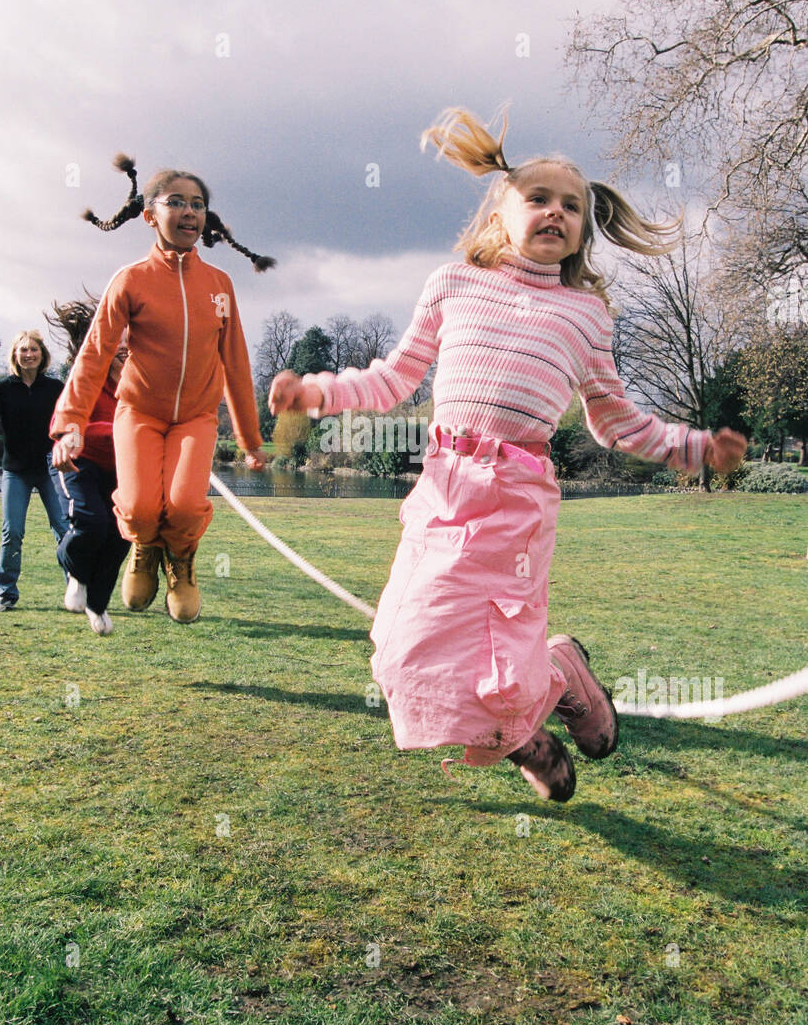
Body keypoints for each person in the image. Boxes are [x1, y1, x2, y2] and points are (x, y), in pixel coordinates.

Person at [269, 107, 747, 802]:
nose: (555, 212)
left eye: (571, 207)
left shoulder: (585, 314)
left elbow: (616, 422)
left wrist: (694, 448)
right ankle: (547, 697)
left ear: (582, 230)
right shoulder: (452, 284)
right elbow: (394, 378)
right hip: (442, 493)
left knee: (500, 663)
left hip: (515, 504)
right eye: (538, 198)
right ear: (500, 212)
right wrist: (316, 392)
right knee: (402, 655)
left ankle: (538, 716)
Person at [50, 155, 269, 623]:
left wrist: (250, 440)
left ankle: (182, 565)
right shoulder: (130, 280)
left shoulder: (221, 286)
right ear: (150, 215)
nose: (190, 212)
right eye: (178, 202)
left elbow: (236, 364)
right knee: (137, 506)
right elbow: (93, 355)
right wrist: (69, 425)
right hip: (140, 413)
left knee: (188, 503)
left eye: (198, 204)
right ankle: (144, 549)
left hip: (196, 417)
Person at [46, 298, 130, 636]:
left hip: (120, 469)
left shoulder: (142, 385)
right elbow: (64, 419)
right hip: (78, 464)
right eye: (118, 348)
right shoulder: (85, 379)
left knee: (121, 534)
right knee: (92, 523)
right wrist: (70, 434)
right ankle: (74, 570)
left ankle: (97, 604)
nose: (124, 353)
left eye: (129, 347)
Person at [0, 331, 70, 611]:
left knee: (64, 529)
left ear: (42, 355)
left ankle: (77, 590)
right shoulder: (4, 389)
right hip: (15, 471)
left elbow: (69, 422)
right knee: (12, 531)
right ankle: (4, 593)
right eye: (23, 350)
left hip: (50, 469)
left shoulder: (55, 388)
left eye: (34, 350)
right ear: (16, 355)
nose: (28, 354)